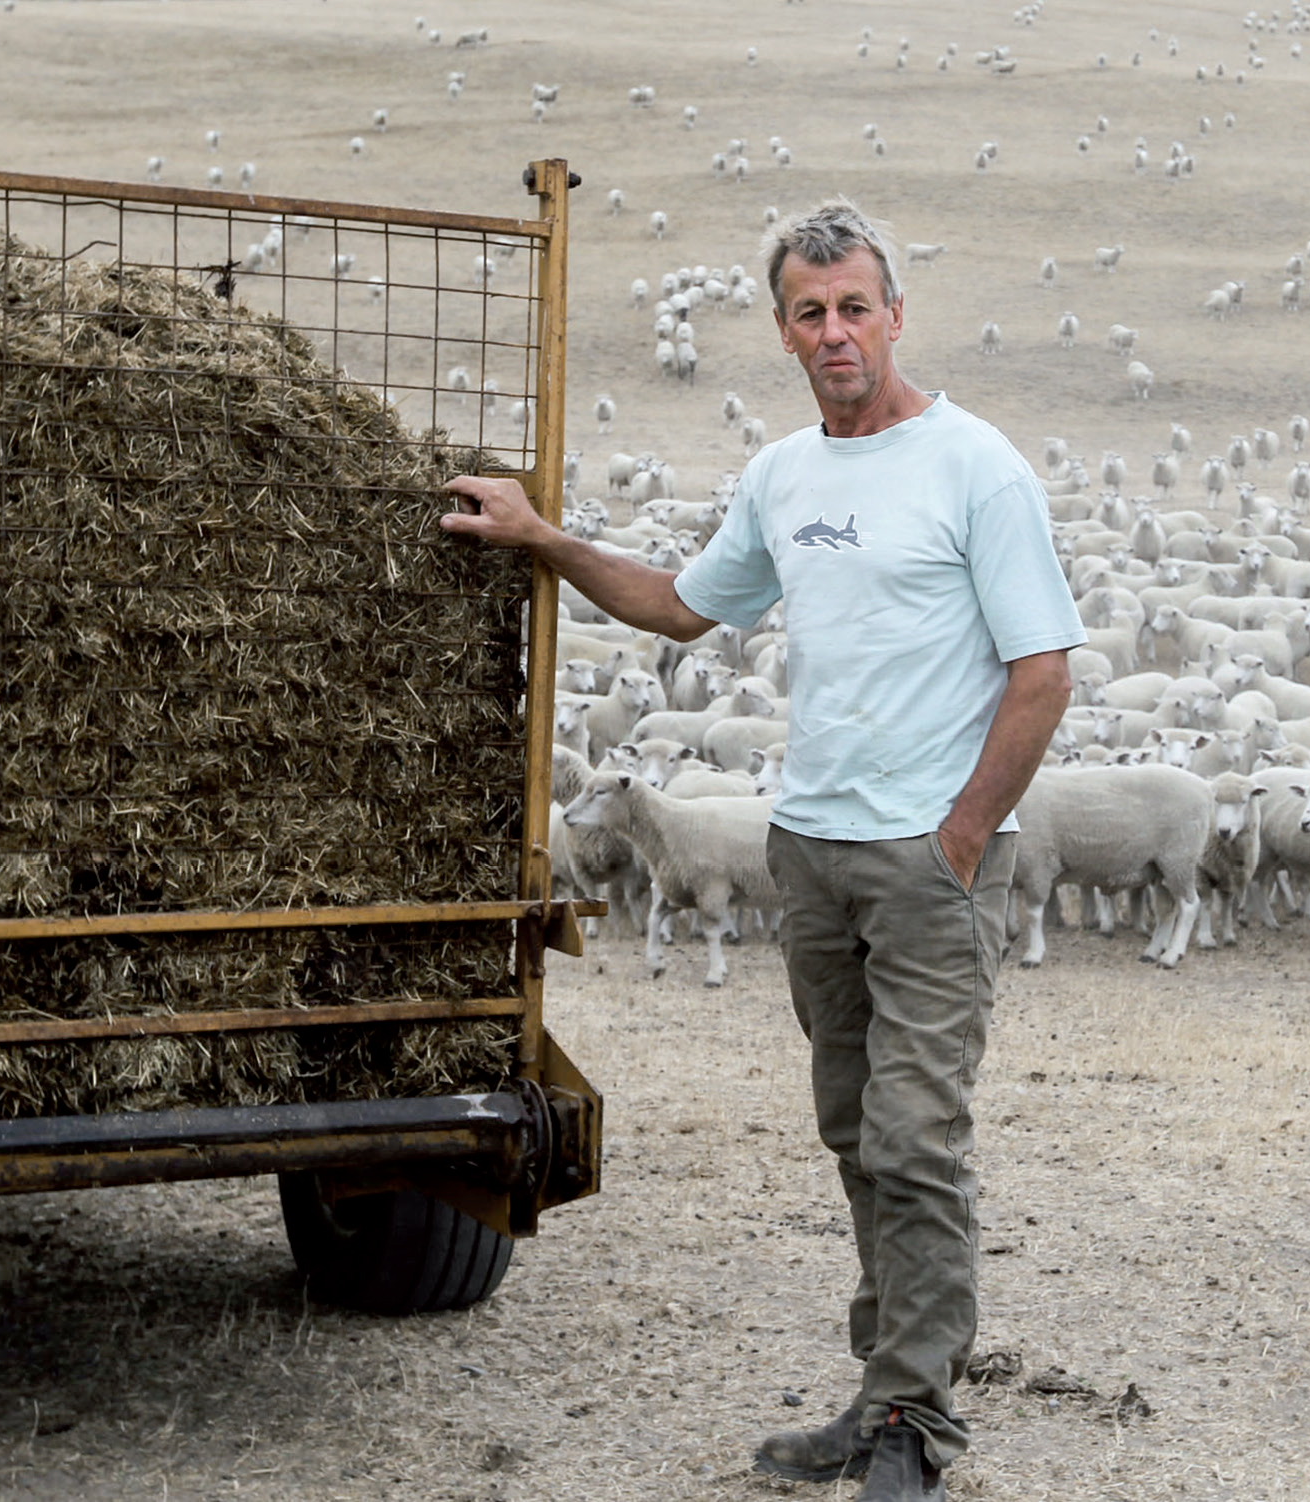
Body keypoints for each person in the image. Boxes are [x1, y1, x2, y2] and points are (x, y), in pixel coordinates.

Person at [440, 199, 1084, 1502]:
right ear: (783, 327)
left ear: (894, 314)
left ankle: (911, 1418)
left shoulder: (976, 466)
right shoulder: (786, 477)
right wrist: (541, 537)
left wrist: (959, 837)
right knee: (854, 1128)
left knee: (915, 1133)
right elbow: (682, 608)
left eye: (855, 305)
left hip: (925, 862)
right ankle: (879, 1390)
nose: (834, 330)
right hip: (811, 849)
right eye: (810, 310)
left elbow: (1042, 670)